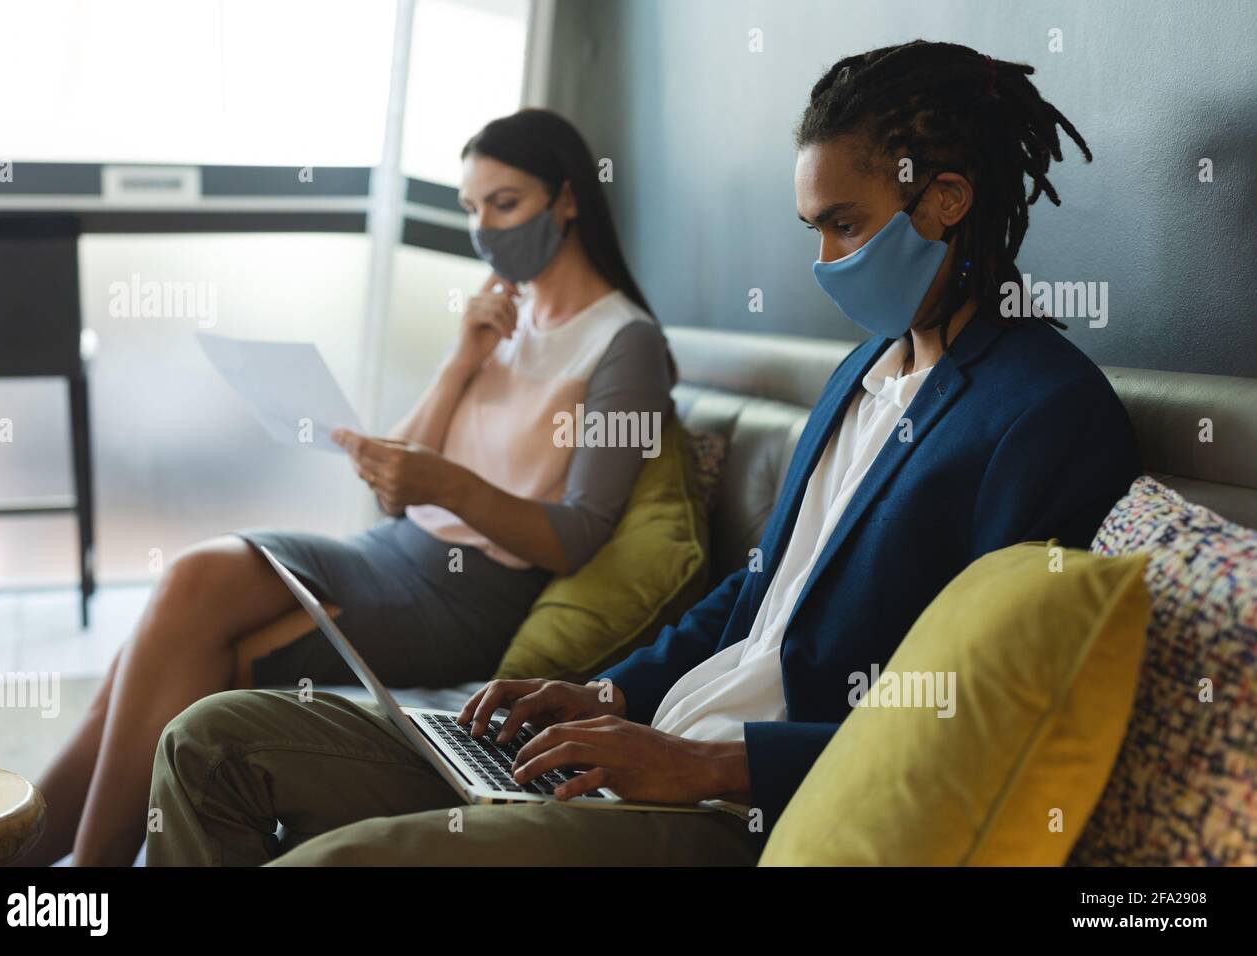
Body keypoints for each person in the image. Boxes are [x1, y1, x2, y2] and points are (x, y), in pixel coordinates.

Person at [144, 40, 1141, 867]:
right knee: (210, 741)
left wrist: (703, 767)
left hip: (731, 809)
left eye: (846, 225)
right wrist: (607, 692)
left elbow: (961, 720)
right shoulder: (861, 375)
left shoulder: (1042, 414)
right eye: (813, 229)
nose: (824, 263)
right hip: (654, 744)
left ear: (949, 198)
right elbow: (757, 597)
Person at [22, 109, 675, 867]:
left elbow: (581, 533)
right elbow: (397, 491)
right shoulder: (505, 316)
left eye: (505, 205)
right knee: (159, 633)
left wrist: (453, 487)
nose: (485, 229)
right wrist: (461, 361)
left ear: (567, 198)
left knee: (194, 601)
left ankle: (84, 885)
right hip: (395, 549)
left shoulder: (626, 343)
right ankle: (11, 863)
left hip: (474, 593)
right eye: (471, 209)